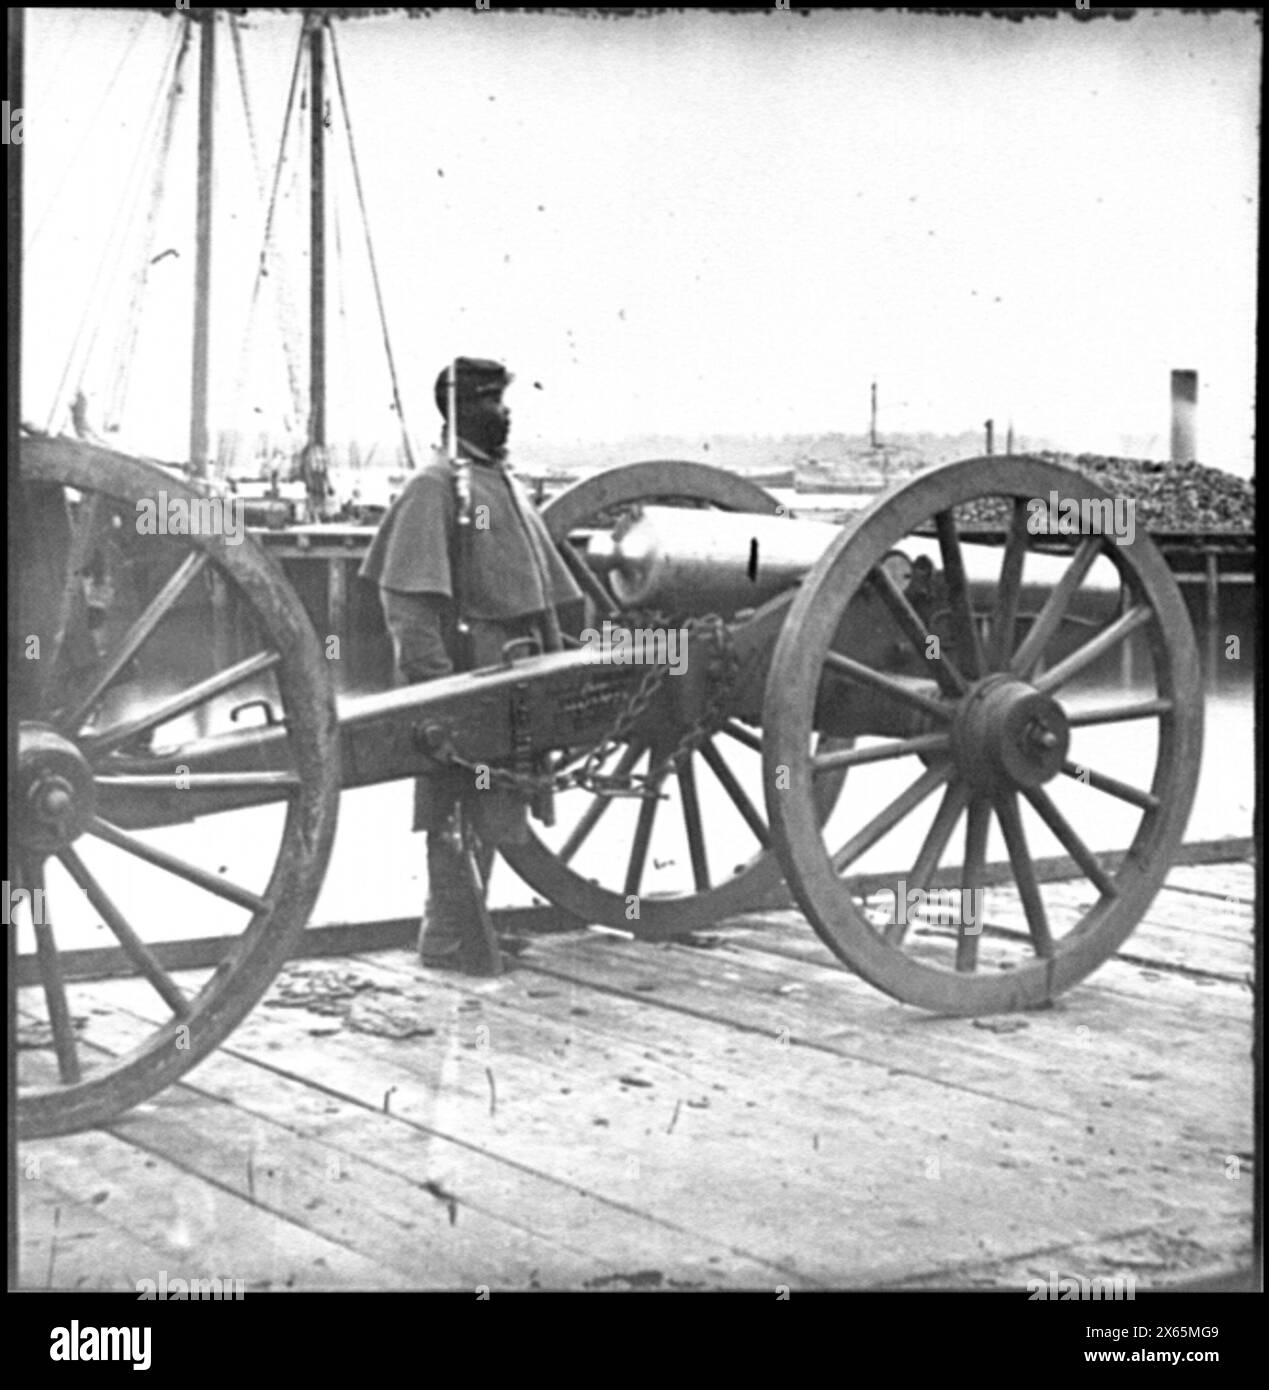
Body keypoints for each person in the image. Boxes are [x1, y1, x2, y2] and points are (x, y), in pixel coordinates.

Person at [359, 357, 583, 974]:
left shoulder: (498, 483)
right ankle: (447, 933)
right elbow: (406, 603)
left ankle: (460, 924)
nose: (504, 412)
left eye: (504, 399)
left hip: (515, 671)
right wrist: (436, 690)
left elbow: (545, 586)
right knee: (456, 804)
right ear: (461, 411)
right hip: (472, 675)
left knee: (493, 803)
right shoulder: (435, 487)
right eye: (490, 400)